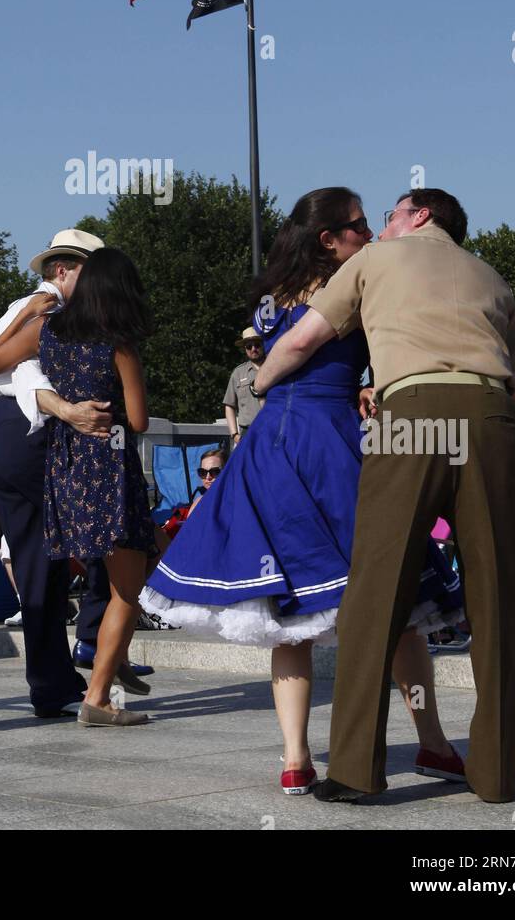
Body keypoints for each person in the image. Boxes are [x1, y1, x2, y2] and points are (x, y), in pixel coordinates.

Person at [141, 189, 465, 793]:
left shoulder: (272, 299)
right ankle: (433, 743)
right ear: (329, 239)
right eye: (358, 225)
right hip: (331, 439)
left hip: (271, 444)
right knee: (399, 604)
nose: (367, 233)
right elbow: (316, 350)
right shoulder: (357, 282)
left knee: (288, 613)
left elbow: (289, 348)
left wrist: (271, 386)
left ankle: (295, 757)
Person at [250, 187, 515, 805]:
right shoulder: (494, 278)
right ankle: (497, 774)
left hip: (413, 415)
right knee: (499, 598)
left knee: (376, 591)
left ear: (420, 216)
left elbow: (302, 340)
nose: (381, 226)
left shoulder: (372, 261)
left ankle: (352, 770)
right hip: (490, 420)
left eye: (392, 214)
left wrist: (262, 385)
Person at [0, 247, 155, 727]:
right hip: (109, 464)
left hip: (63, 463)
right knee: (129, 584)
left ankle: (107, 656)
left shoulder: (46, 330)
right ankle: (98, 693)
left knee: (130, 561)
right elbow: (139, 420)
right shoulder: (120, 344)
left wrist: (26, 313)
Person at [0, 229, 116, 718]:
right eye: (91, 274)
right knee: (107, 528)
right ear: (63, 270)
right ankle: (98, 641)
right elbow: (6, 367)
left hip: (1, 433)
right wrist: (67, 410)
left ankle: (53, 681)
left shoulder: (36, 305)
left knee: (42, 559)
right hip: (28, 431)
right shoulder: (44, 305)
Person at [223, 329, 264, 445]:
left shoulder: (277, 368)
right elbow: (229, 405)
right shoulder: (238, 373)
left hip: (274, 429)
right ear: (245, 349)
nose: (253, 349)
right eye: (249, 347)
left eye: (257, 345)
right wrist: (234, 434)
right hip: (247, 432)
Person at [189, 446, 228, 514]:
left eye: (214, 471)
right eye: (203, 472)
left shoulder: (236, 501)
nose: (208, 477)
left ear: (226, 472)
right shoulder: (198, 503)